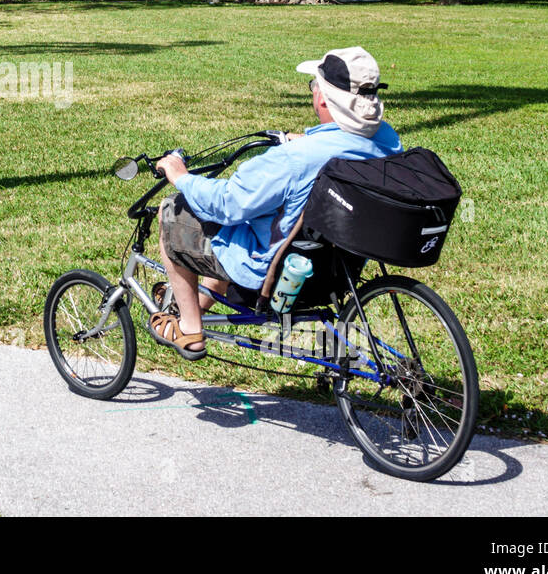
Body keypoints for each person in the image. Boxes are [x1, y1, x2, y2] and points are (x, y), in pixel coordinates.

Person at [147, 47, 402, 360]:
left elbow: (227, 203)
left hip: (276, 275)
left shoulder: (293, 161)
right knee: (245, 223)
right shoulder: (388, 140)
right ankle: (200, 303)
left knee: (173, 210)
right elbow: (337, 145)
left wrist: (180, 175)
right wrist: (308, 139)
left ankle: (188, 328)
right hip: (338, 270)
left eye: (314, 86)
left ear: (322, 98)